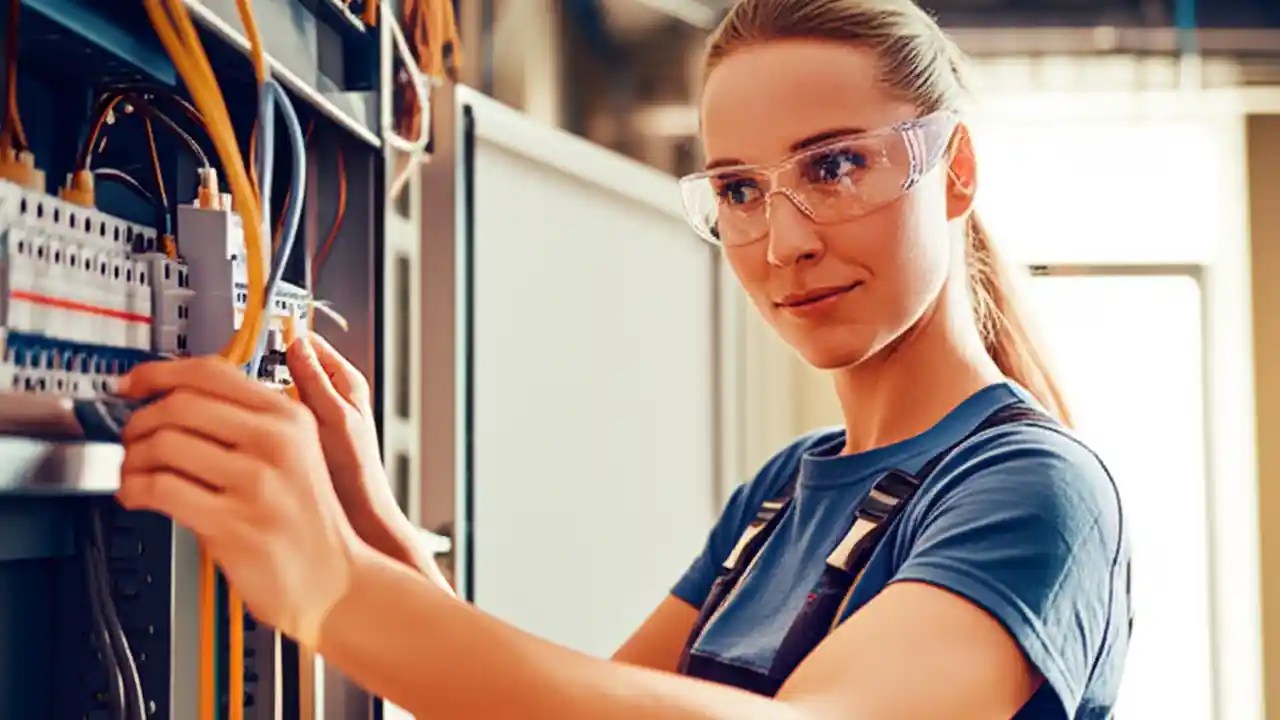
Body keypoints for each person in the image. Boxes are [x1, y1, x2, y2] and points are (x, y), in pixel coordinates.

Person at [113, 0, 1131, 717]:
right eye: (736, 191)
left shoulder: (1031, 492)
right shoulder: (782, 491)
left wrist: (332, 587)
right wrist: (364, 522)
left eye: (833, 166)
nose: (783, 244)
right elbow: (563, 706)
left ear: (951, 173)